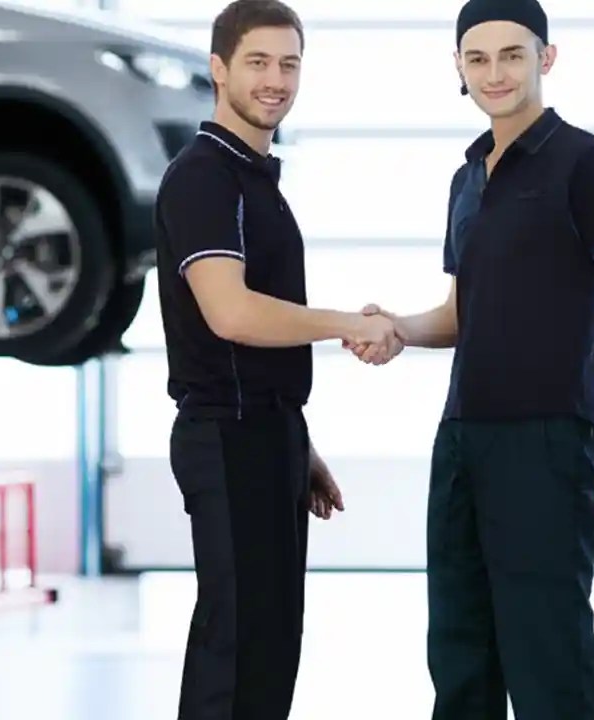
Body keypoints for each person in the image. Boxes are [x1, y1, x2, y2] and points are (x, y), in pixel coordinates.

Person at [350, 0, 594, 717]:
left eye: (512, 55)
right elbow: (460, 315)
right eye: (478, 58)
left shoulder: (586, 162)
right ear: (457, 67)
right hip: (460, 442)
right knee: (459, 656)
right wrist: (396, 328)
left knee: (548, 658)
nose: (495, 72)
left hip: (544, 443)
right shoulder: (466, 180)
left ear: (546, 58)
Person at [153, 1, 400, 718]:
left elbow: (250, 336)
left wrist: (298, 438)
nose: (275, 80)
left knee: (269, 647)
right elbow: (230, 313)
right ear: (219, 68)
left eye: (289, 64)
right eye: (257, 62)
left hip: (265, 433)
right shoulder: (205, 176)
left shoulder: (254, 178)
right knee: (237, 649)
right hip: (225, 435)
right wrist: (349, 324)